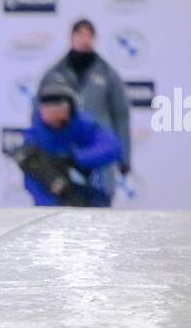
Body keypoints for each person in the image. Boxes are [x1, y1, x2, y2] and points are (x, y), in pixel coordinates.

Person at [37, 19, 131, 203]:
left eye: (89, 35)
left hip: (96, 150)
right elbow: (39, 116)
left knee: (99, 202)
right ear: (71, 37)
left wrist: (125, 157)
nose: (84, 39)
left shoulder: (108, 74)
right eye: (79, 34)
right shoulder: (54, 73)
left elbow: (121, 115)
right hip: (60, 151)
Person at [14, 79, 123, 208]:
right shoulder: (34, 140)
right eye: (47, 107)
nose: (52, 113)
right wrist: (54, 208)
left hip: (87, 195)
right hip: (55, 200)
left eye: (58, 107)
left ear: (70, 108)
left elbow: (112, 146)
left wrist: (76, 159)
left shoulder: (80, 124)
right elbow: (34, 185)